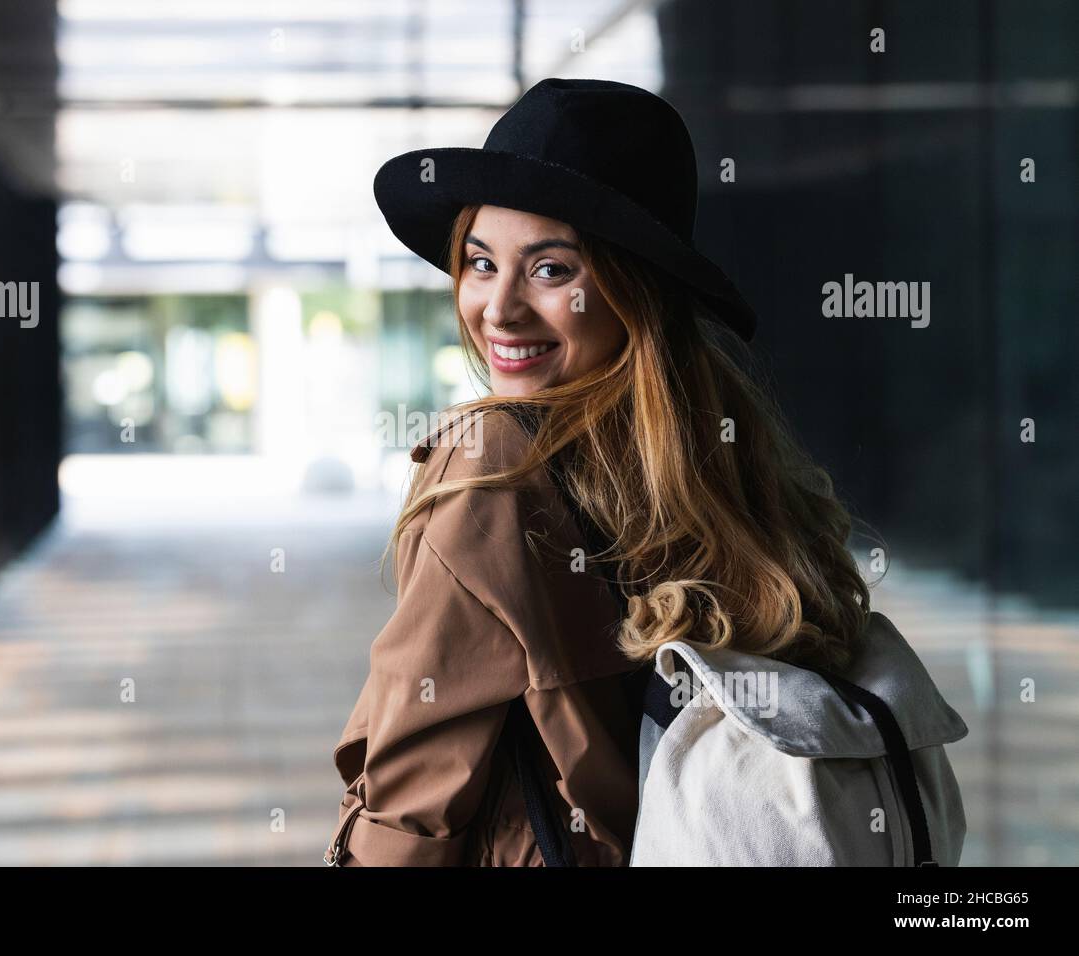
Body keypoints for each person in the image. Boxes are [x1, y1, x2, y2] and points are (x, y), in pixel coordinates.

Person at [324, 78, 961, 867]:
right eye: (482, 262)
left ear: (633, 287)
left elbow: (412, 806)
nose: (498, 309)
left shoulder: (485, 465)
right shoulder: (739, 459)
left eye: (552, 270)